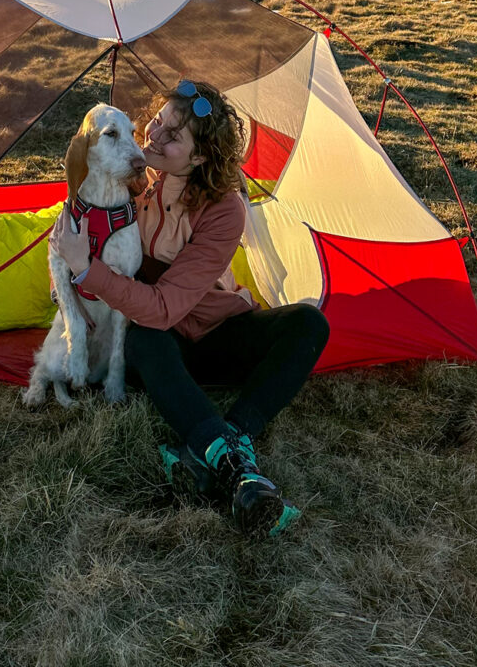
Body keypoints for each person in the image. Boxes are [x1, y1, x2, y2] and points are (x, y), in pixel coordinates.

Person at [51, 79, 330, 536]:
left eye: (172, 137)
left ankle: (226, 440)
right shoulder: (128, 180)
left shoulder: (224, 209)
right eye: (157, 123)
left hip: (212, 332)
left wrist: (89, 271)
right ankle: (229, 459)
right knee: (142, 336)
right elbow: (70, 241)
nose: (153, 139)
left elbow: (162, 306)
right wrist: (73, 279)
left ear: (199, 157)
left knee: (307, 323)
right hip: (159, 347)